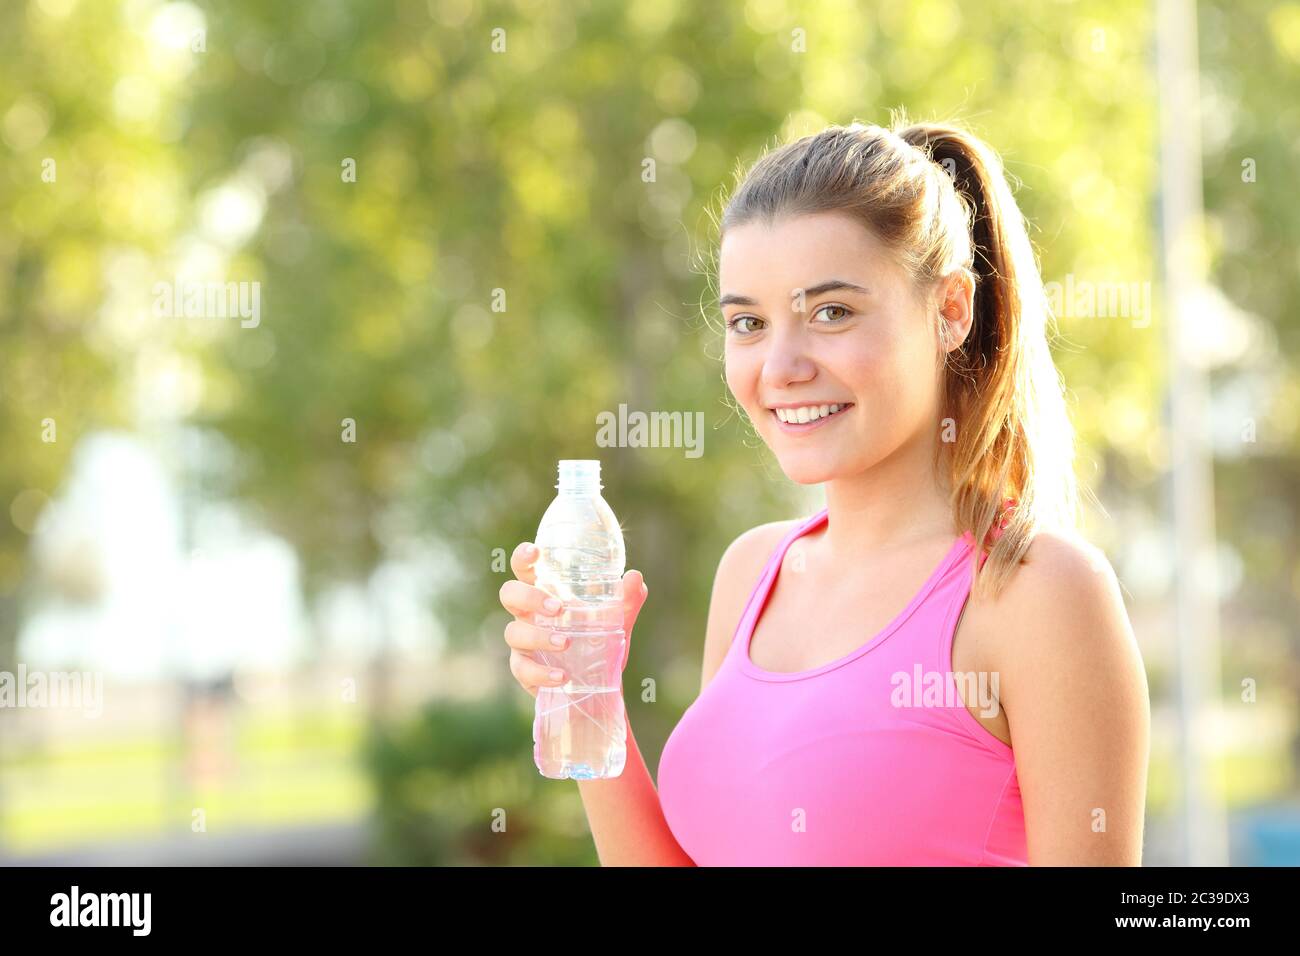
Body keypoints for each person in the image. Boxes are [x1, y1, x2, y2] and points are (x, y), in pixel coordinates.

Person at [499, 115, 1150, 866]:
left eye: (831, 313)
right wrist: (588, 695)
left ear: (950, 311)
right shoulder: (752, 573)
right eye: (748, 322)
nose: (780, 366)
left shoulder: (1036, 591)